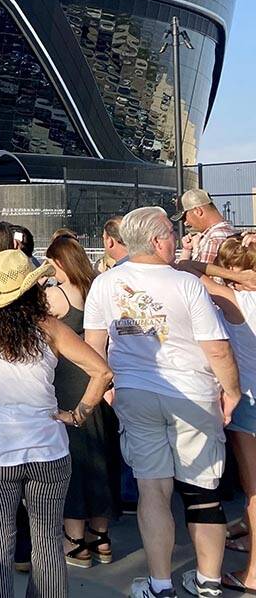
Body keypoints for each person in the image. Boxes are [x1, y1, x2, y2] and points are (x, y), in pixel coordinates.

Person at [0, 249, 112, 598]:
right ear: (31, 287)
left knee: (0, 543)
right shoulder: (50, 327)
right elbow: (102, 371)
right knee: (48, 542)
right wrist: (77, 414)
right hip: (49, 450)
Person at [83, 206, 241, 598]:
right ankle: (207, 582)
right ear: (156, 240)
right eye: (171, 232)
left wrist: (106, 389)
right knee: (203, 492)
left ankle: (160, 583)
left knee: (153, 490)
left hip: (135, 394)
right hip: (192, 393)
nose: (177, 238)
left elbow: (93, 345)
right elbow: (217, 348)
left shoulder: (105, 283)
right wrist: (232, 392)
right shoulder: (186, 284)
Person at [45, 234, 122, 568]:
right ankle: (101, 538)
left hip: (67, 382)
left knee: (73, 460)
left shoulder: (56, 295)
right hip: (100, 382)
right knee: (101, 458)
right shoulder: (97, 289)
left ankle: (75, 542)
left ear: (59, 262)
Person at [193, 238, 256, 592]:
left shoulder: (237, 301)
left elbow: (187, 268)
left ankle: (254, 571)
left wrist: (222, 273)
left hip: (249, 399)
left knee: (253, 491)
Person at [173, 188, 236, 265]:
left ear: (198, 211)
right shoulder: (227, 231)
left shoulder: (214, 238)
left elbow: (201, 275)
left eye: (185, 218)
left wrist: (195, 252)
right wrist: (187, 249)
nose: (185, 223)